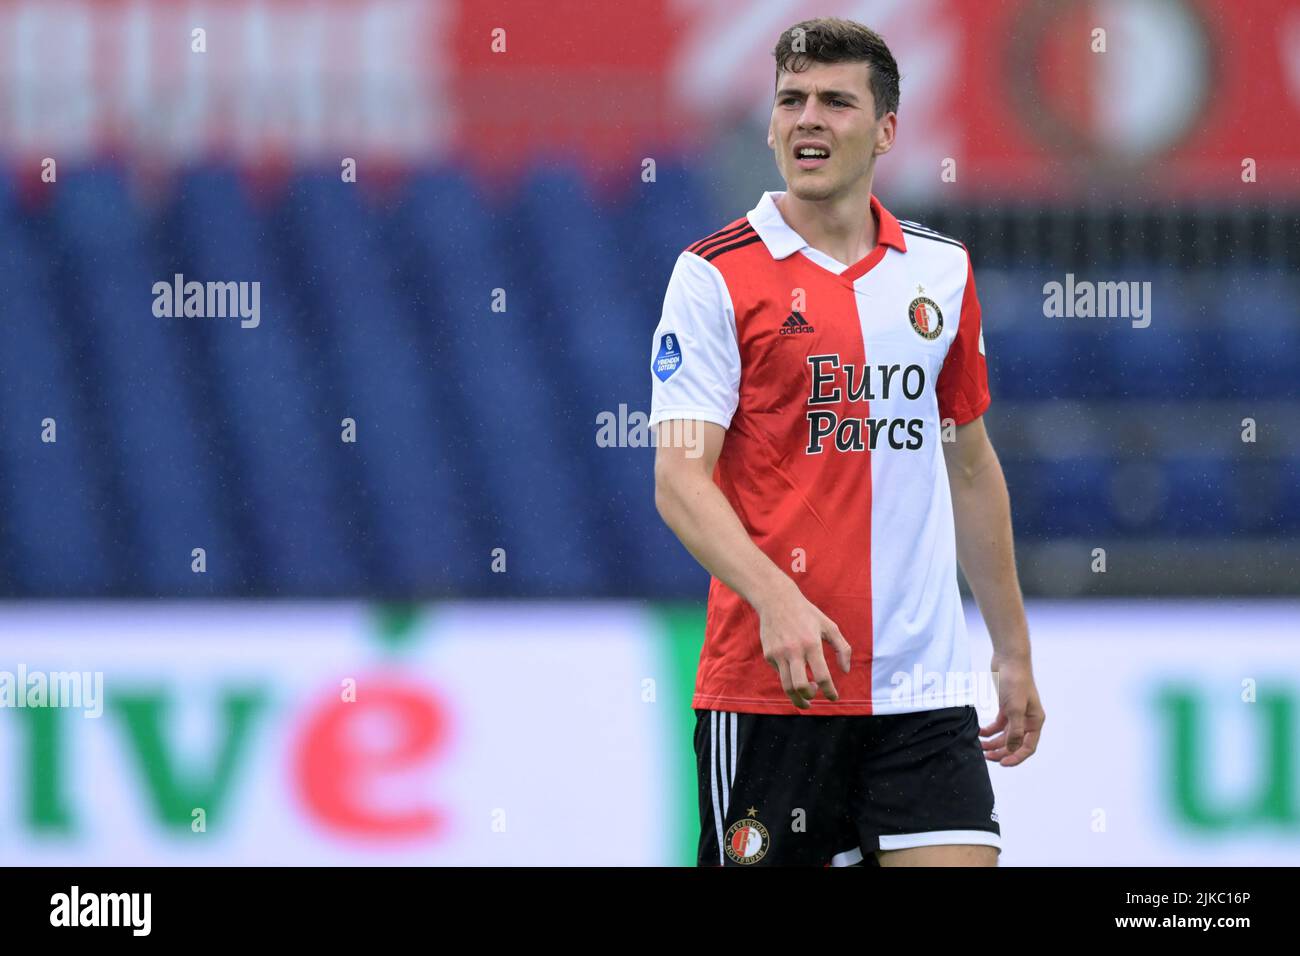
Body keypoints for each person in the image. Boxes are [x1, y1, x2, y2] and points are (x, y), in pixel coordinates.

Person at [649, 17, 1045, 867]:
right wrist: (777, 600)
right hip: (772, 693)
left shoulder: (942, 270)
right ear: (769, 123)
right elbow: (681, 479)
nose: (809, 120)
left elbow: (971, 465)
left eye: (835, 100)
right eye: (791, 100)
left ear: (888, 130)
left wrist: (1011, 652)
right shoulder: (711, 275)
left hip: (923, 693)